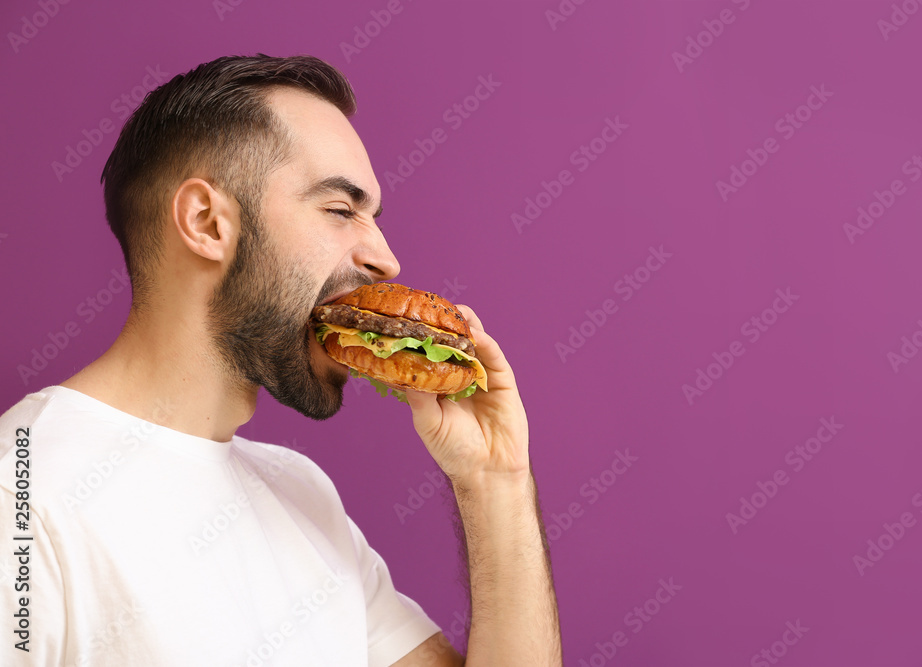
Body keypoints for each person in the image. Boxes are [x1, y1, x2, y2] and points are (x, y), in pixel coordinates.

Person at [0, 54, 561, 666]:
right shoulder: (23, 499)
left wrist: (494, 483)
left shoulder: (300, 491)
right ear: (208, 223)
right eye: (341, 210)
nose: (385, 259)